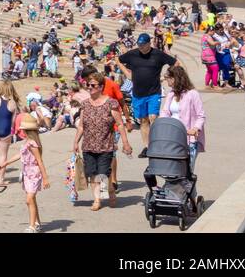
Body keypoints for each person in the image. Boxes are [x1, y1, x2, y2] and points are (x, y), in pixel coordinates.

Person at [74, 71, 133, 211]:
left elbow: (119, 124)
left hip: (106, 145)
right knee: (92, 173)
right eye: (87, 85)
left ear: (101, 87)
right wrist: (76, 142)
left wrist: (125, 142)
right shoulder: (85, 104)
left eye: (92, 85)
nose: (89, 87)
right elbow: (81, 125)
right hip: (88, 145)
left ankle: (110, 189)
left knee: (103, 174)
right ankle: (97, 200)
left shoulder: (110, 103)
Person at [119, 33, 176, 156]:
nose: (141, 47)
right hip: (138, 93)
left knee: (153, 117)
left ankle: (156, 144)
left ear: (148, 44)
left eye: (143, 45)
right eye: (139, 45)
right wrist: (128, 74)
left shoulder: (157, 54)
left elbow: (175, 63)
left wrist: (167, 76)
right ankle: (147, 146)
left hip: (153, 92)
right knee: (143, 121)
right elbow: (118, 60)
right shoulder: (132, 54)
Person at [159, 64, 206, 168]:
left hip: (188, 137)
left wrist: (196, 128)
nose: (167, 81)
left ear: (175, 78)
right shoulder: (171, 94)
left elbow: (201, 115)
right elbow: (165, 111)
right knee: (172, 168)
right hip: (173, 136)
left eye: (168, 78)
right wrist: (161, 123)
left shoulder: (193, 94)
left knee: (187, 169)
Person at [19, 114, 47, 231]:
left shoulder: (33, 144)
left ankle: (32, 227)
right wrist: (5, 163)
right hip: (26, 173)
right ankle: (37, 223)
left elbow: (40, 161)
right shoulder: (27, 142)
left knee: (29, 199)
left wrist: (45, 178)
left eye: (23, 130)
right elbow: (19, 155)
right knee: (32, 200)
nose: (21, 132)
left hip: (34, 174)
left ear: (27, 131)